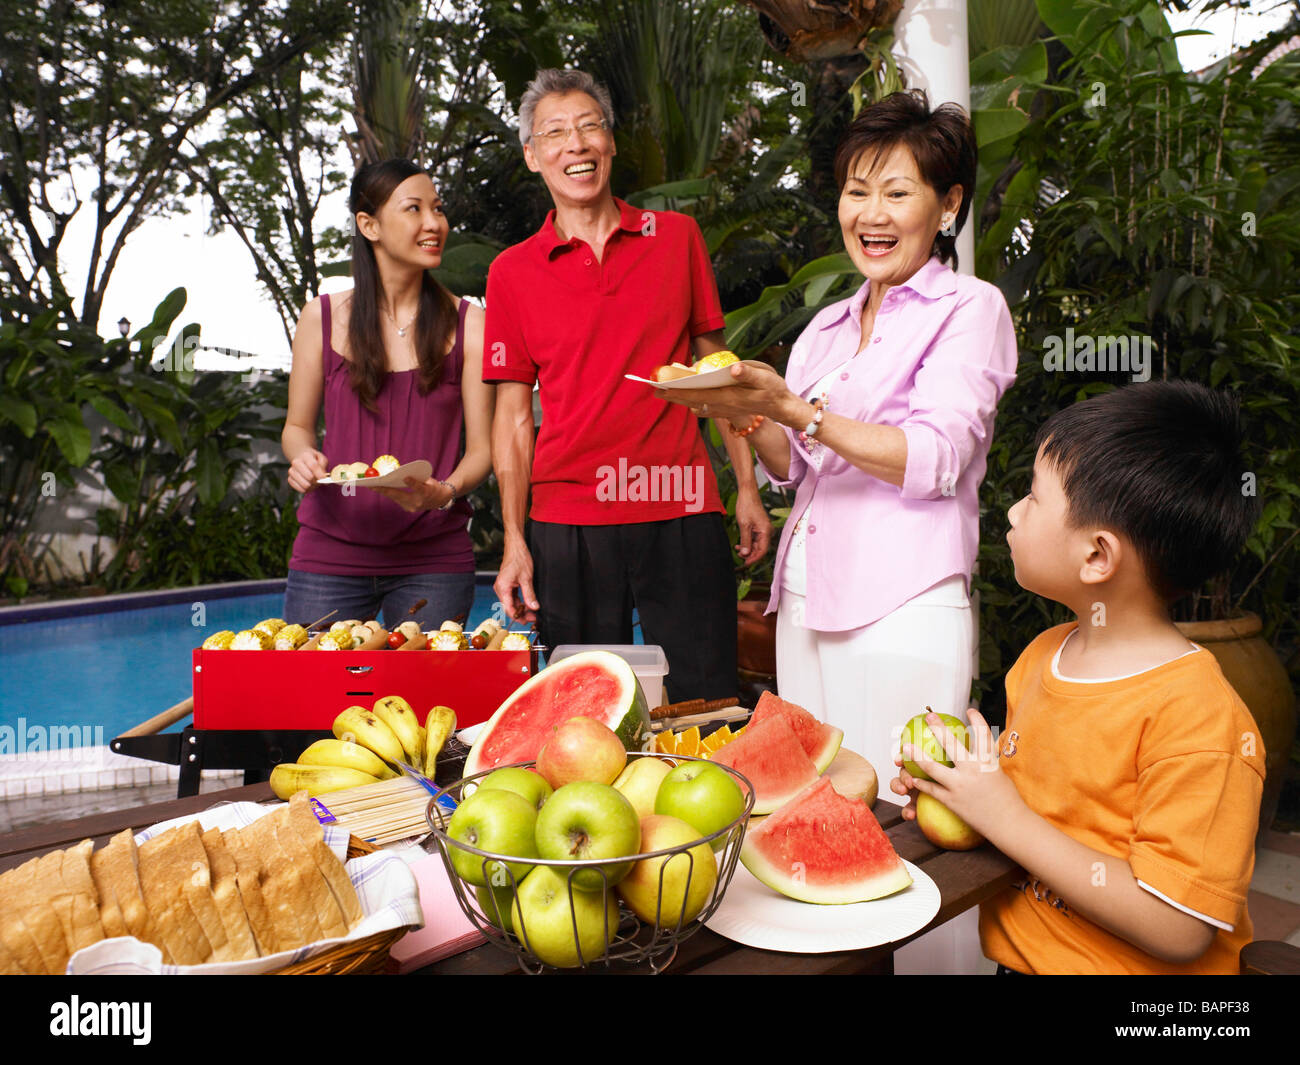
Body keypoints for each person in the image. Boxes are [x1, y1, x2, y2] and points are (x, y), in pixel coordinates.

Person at [660, 89, 1016, 784]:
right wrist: (740, 410)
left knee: (897, 807)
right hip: (804, 597)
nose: (871, 214)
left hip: (903, 598)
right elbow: (794, 468)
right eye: (857, 191)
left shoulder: (971, 308)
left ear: (947, 206)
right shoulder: (824, 328)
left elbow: (938, 459)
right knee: (812, 799)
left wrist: (795, 410)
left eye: (896, 192)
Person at [894, 381, 1264, 975]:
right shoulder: (1043, 656)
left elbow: (1180, 928)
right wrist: (967, 805)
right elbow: (1046, 825)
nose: (1013, 510)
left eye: (1034, 498)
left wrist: (1003, 817)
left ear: (1097, 556)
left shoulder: (1199, 720)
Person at [484, 68, 770, 701]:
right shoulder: (511, 273)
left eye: (590, 127)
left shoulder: (676, 239)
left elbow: (716, 372)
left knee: (708, 698)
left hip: (681, 502)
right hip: (567, 517)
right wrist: (514, 539)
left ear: (611, 143)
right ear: (533, 156)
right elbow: (511, 418)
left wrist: (746, 485)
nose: (576, 145)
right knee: (584, 711)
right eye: (555, 133)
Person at [280, 159, 494, 630]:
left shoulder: (470, 325)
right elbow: (296, 428)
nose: (434, 223)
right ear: (369, 224)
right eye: (413, 209)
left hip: (435, 557)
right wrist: (302, 458)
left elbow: (482, 450)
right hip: (328, 554)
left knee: (432, 702)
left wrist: (445, 492)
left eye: (437, 209)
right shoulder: (320, 317)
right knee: (314, 697)